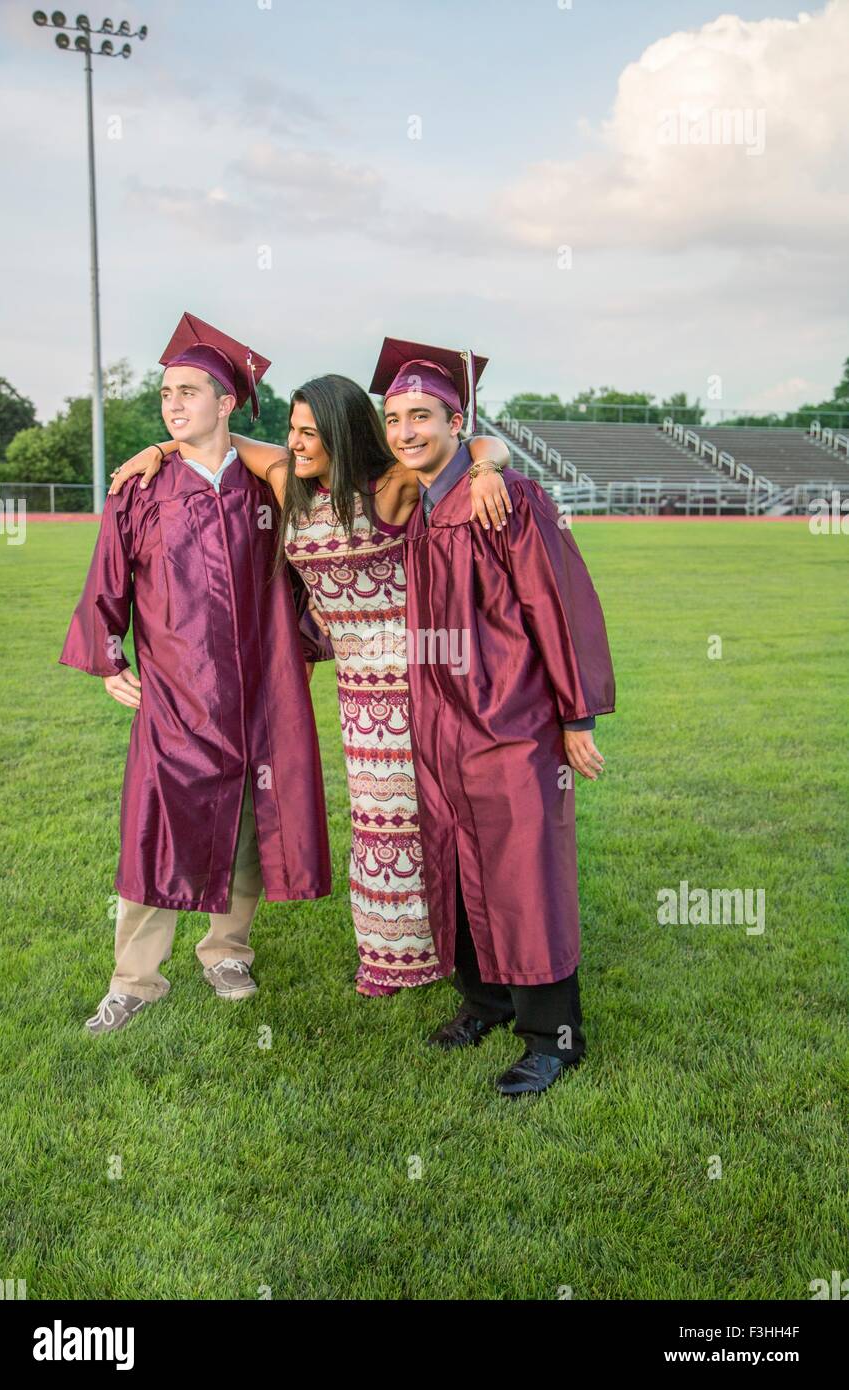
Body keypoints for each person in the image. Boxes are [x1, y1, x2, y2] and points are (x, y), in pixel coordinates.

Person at [109, 369, 512, 997]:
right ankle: (394, 959)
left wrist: (488, 468)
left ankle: (472, 961)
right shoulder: (288, 482)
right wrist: (161, 448)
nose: (295, 444)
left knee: (430, 822)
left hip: (416, 682)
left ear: (344, 434)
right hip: (359, 694)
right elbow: (233, 440)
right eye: (292, 431)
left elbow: (475, 448)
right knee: (378, 828)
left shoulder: (390, 488)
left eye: (309, 433)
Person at [60, 313, 331, 1034]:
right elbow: (105, 580)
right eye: (165, 396)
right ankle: (134, 979)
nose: (173, 406)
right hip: (177, 693)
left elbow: (314, 574)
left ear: (227, 402)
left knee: (246, 821)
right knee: (154, 827)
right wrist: (107, 657)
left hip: (261, 689)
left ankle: (226, 950)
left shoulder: (272, 486)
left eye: (188, 392)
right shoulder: (142, 487)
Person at [371, 336, 616, 1097]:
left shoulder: (508, 499)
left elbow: (559, 606)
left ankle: (554, 1037)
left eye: (421, 416)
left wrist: (576, 718)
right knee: (460, 857)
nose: (406, 430)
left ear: (456, 420)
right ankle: (487, 1001)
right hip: (440, 725)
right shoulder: (421, 504)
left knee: (523, 867)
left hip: (510, 719)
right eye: (394, 418)